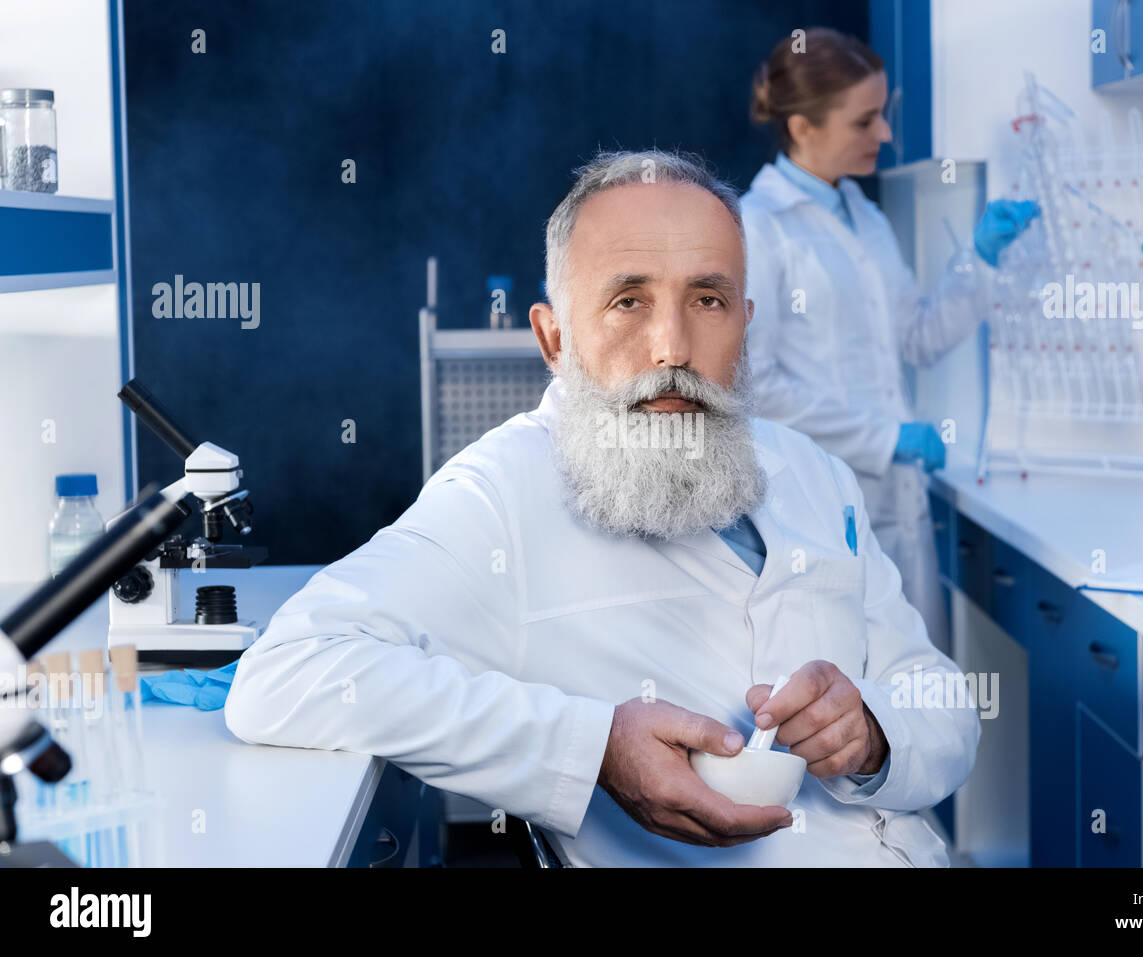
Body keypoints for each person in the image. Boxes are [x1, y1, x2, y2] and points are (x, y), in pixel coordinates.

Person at [225, 149, 980, 867]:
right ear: (554, 338)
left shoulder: (815, 473)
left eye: (708, 299)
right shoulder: (503, 493)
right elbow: (288, 671)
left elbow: (940, 701)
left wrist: (875, 730)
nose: (672, 347)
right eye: (629, 300)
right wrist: (592, 748)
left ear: (746, 323)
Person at [741, 28, 1038, 655]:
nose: (886, 136)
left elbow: (918, 337)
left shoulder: (866, 217)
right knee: (836, 703)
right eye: (865, 120)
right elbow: (754, 387)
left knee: (912, 703)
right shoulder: (757, 227)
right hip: (817, 505)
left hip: (896, 500)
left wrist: (979, 258)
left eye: (885, 115)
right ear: (803, 128)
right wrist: (884, 436)